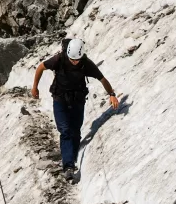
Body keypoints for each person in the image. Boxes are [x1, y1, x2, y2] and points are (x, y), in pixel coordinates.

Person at [31, 38, 119, 180]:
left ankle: (72, 156)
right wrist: (34, 87)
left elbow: (102, 79)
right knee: (65, 131)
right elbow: (41, 67)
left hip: (77, 100)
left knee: (76, 131)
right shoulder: (59, 59)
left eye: (76, 60)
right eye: (72, 59)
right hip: (59, 99)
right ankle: (68, 166)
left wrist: (112, 94)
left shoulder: (86, 63)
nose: (74, 62)